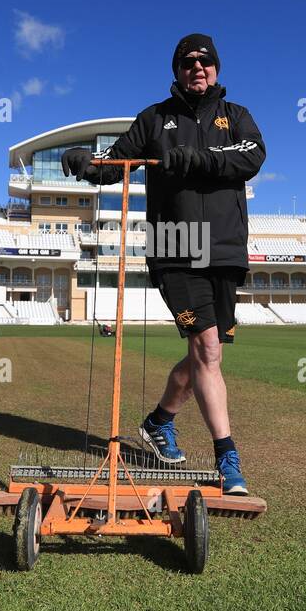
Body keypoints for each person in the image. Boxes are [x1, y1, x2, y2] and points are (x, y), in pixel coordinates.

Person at [60, 33, 265, 495]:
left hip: (226, 247)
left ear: (216, 68)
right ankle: (227, 456)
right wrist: (84, 163)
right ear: (176, 70)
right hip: (176, 244)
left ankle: (159, 421)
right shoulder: (153, 119)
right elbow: (115, 164)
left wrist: (197, 158)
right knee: (207, 351)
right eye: (187, 61)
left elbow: (251, 157)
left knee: (204, 355)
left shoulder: (237, 118)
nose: (197, 67)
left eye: (205, 61)